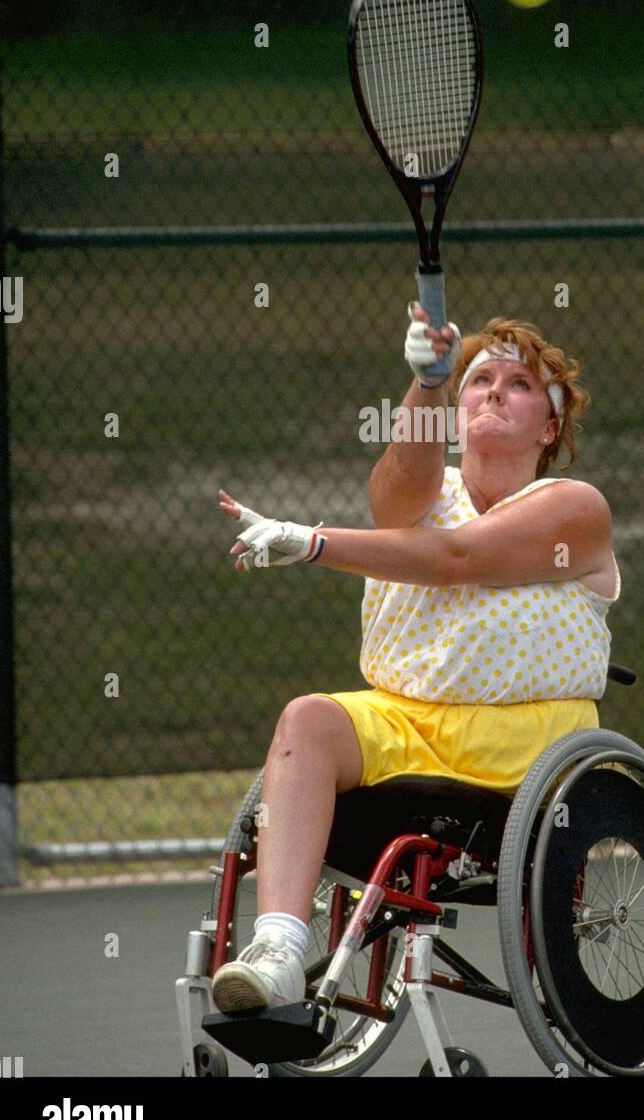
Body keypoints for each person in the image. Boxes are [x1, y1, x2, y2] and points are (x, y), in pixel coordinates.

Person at [211, 303, 620, 1014]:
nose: (492, 390)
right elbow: (398, 495)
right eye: (478, 380)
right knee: (307, 720)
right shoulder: (428, 492)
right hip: (405, 726)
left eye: (518, 384)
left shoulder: (574, 507)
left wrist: (312, 542)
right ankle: (278, 950)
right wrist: (428, 381)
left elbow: (459, 558)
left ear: (550, 427)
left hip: (525, 748)